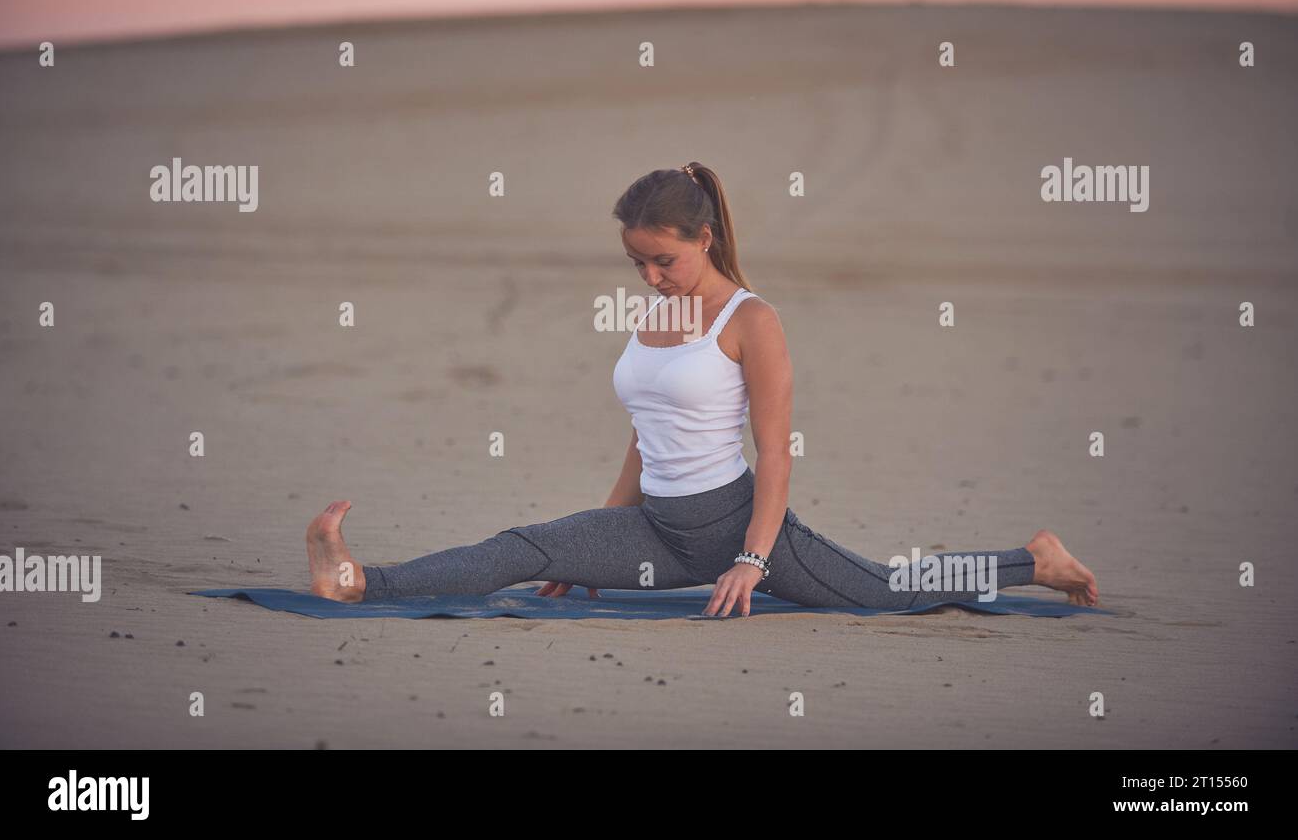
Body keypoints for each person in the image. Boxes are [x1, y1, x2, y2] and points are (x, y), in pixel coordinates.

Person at [306, 162, 1099, 616]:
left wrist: (754, 559)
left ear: (704, 238)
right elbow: (642, 432)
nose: (650, 276)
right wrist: (596, 538)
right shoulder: (653, 315)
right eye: (636, 263)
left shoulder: (753, 320)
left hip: (735, 522)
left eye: (664, 260)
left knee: (884, 589)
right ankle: (361, 581)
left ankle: (1033, 560)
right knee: (526, 546)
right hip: (654, 525)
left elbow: (777, 451)